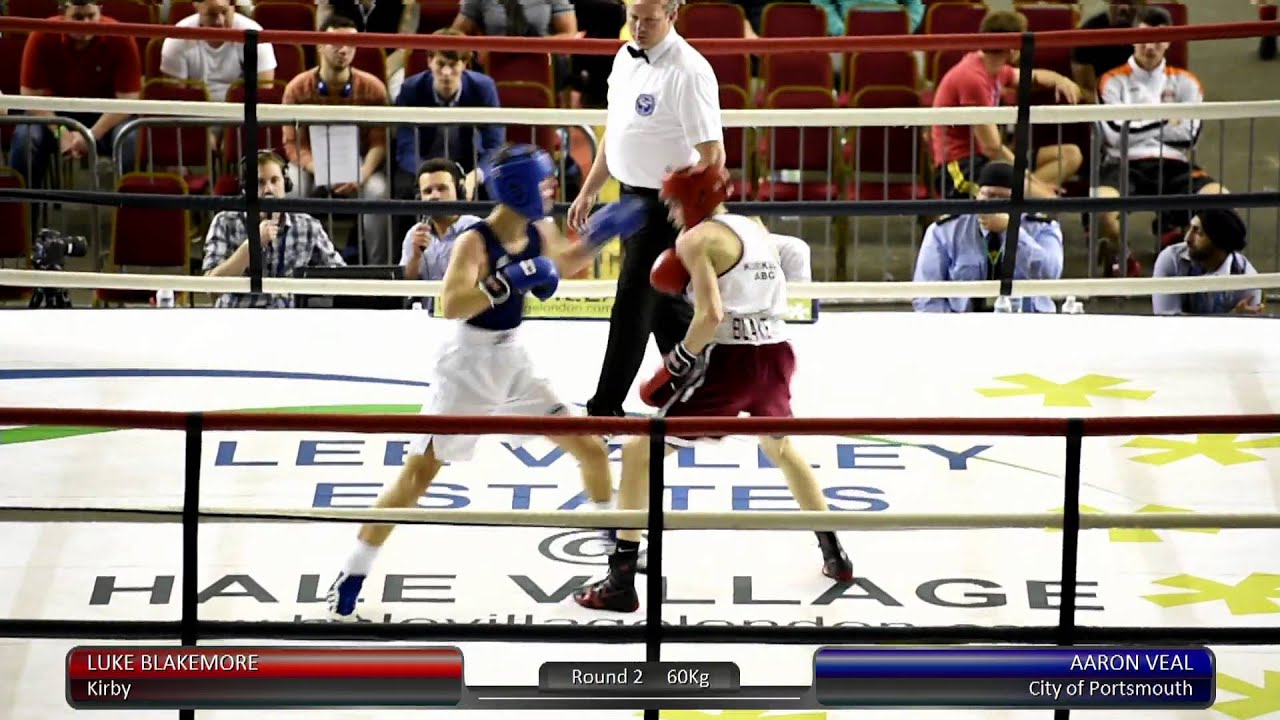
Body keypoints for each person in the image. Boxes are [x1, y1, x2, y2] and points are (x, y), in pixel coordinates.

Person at [327, 144, 650, 621]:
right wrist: (506, 282)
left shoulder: (538, 228)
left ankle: (611, 544)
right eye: (543, 183)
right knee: (419, 476)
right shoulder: (474, 242)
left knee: (591, 448)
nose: (550, 190)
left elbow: (558, 265)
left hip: (513, 357)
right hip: (467, 364)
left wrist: (601, 236)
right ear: (519, 187)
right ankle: (352, 571)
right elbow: (451, 303)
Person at [572, 165, 853, 613]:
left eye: (676, 202)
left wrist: (680, 358)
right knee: (781, 449)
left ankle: (620, 581)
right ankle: (835, 554)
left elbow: (710, 316)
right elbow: (794, 256)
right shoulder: (753, 226)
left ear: (696, 198)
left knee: (639, 454)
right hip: (777, 352)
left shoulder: (695, 239)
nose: (671, 211)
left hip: (731, 362)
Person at [568, 0, 726, 420]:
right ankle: (709, 382)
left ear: (673, 15)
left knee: (632, 302)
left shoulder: (689, 71)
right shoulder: (624, 57)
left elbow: (713, 154)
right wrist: (590, 189)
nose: (638, 28)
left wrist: (695, 216)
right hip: (629, 195)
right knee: (662, 302)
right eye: (633, 18)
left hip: (666, 205)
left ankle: (604, 408)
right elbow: (615, 130)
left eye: (649, 20)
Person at [1093, 5, 1228, 277]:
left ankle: (1190, 253)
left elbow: (1188, 138)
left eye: (1158, 39)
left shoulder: (1188, 82)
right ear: (1133, 37)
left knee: (1221, 201)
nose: (1150, 47)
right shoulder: (1111, 81)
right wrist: (1167, 120)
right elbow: (1116, 137)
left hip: (1174, 162)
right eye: (1143, 38)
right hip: (1123, 163)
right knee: (1103, 207)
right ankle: (1121, 256)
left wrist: (1137, 123)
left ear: (1168, 41)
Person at [912, 161, 1064, 313]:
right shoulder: (944, 231)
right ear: (977, 195)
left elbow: (1049, 274)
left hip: (1027, 324)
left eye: (1004, 198)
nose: (995, 204)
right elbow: (926, 295)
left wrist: (1012, 232)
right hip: (963, 326)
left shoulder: (1044, 228)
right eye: (990, 195)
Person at [202, 151, 346, 308]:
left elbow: (341, 278)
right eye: (260, 183)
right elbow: (211, 288)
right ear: (246, 188)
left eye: (274, 181)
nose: (268, 190)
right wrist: (250, 247)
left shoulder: (308, 226)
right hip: (237, 319)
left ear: (286, 185)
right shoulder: (225, 222)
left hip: (286, 323)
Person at [1152, 208, 1263, 316]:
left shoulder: (1247, 279)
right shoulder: (1171, 259)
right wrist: (1230, 320)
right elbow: (1167, 323)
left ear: (1219, 241)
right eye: (1190, 228)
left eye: (1198, 232)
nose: (1187, 238)